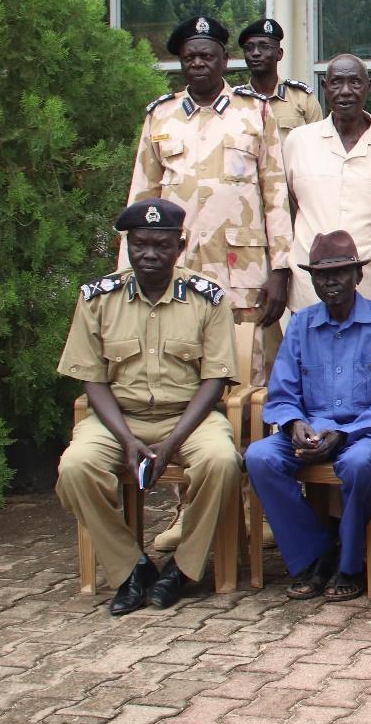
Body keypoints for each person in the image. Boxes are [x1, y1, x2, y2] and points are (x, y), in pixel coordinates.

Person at [56, 199, 241, 616]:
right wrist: (125, 439)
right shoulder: (98, 297)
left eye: (160, 245)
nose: (149, 254)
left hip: (188, 417)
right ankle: (131, 568)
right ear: (128, 245)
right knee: (76, 467)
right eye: (140, 245)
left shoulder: (207, 297)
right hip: (117, 418)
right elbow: (93, 378)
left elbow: (215, 380)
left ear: (180, 245)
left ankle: (182, 568)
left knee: (222, 461)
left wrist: (175, 439)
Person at [124, 15, 291, 387]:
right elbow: (142, 196)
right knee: (177, 354)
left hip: (241, 265)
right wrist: (127, 270)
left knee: (250, 364)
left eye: (207, 57)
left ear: (225, 60)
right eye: (189, 58)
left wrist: (281, 269)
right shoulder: (160, 116)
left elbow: (275, 194)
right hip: (177, 261)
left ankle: (252, 442)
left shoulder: (256, 111)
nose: (197, 64)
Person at [248, 231, 371, 602]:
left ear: (358, 276)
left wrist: (347, 433)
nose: (331, 282)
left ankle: (350, 564)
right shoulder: (301, 324)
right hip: (310, 430)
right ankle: (317, 553)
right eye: (322, 275)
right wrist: (294, 424)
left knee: (356, 465)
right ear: (313, 280)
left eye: (340, 273)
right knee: (259, 457)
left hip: (365, 432)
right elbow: (282, 392)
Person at [284, 55, 371, 312]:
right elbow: (289, 207)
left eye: (355, 82)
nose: (345, 92)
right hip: (310, 289)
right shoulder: (298, 142)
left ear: (369, 87)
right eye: (336, 83)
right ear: (325, 88)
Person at [234, 18, 323, 143]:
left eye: (264, 47)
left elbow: (318, 145)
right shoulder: (234, 101)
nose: (255, 53)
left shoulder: (302, 98)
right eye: (249, 48)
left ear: (279, 54)